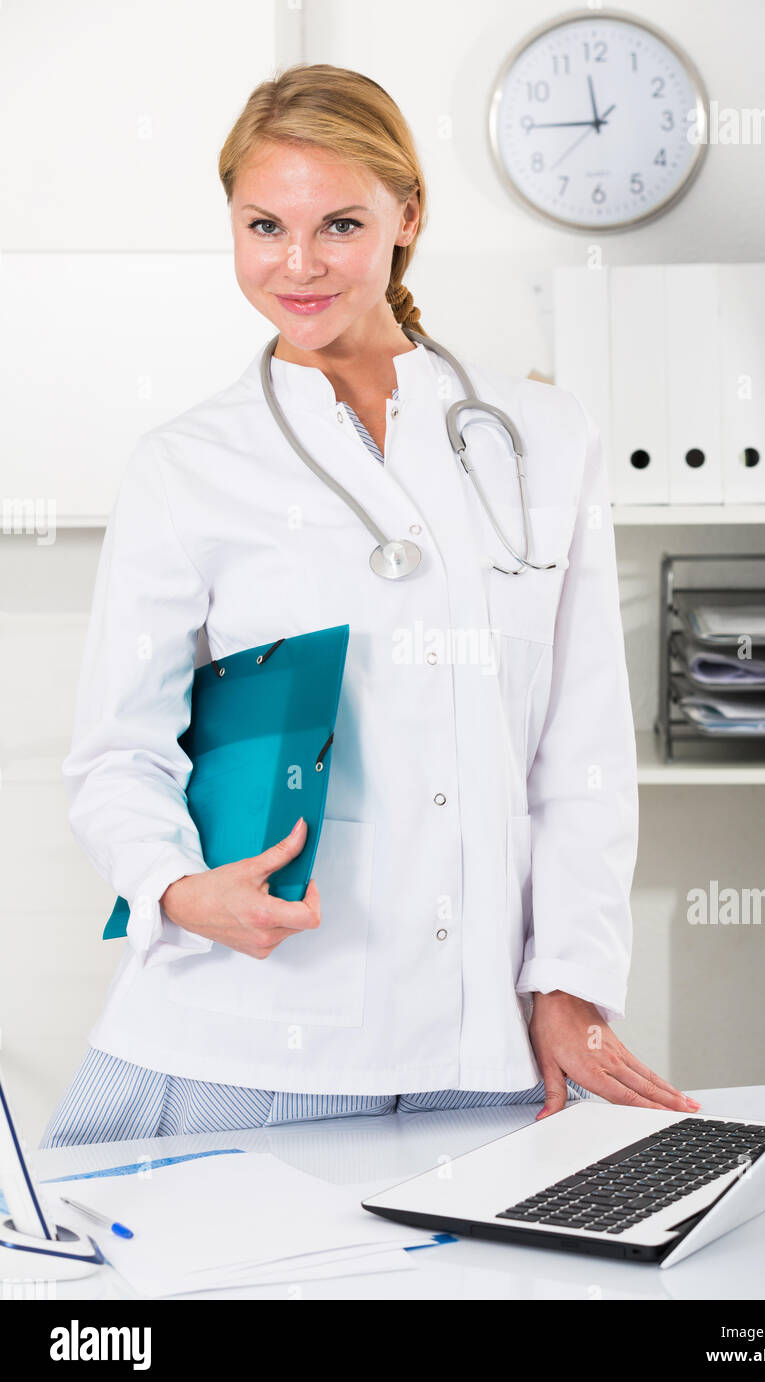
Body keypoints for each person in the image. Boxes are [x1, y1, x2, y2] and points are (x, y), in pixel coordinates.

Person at [41, 63, 699, 1147]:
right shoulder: (186, 464)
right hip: (248, 1026)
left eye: (338, 223)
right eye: (264, 226)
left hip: (476, 1042)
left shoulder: (543, 441)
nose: (296, 266)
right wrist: (171, 887)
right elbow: (117, 750)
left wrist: (570, 984)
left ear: (409, 215)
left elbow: (582, 758)